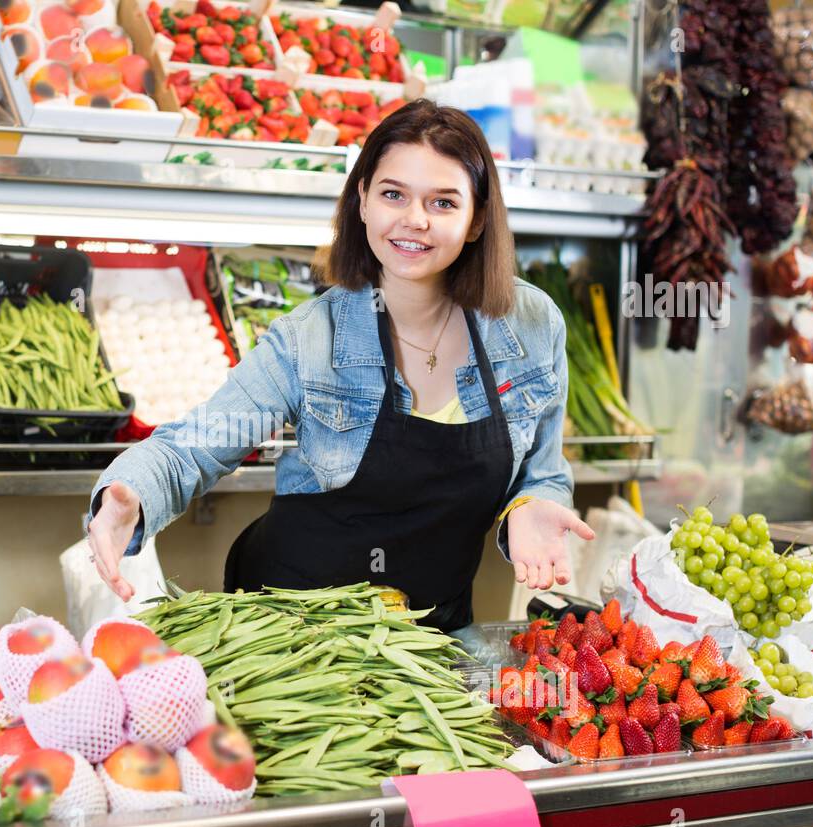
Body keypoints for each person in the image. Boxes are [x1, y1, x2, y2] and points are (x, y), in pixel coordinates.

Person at [86, 100, 593, 631]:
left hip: (428, 638)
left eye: (443, 202)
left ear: (477, 219)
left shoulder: (532, 324)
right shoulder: (309, 338)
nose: (414, 220)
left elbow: (544, 471)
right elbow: (193, 444)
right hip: (293, 630)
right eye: (393, 194)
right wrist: (131, 495)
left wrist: (532, 504)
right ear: (364, 203)